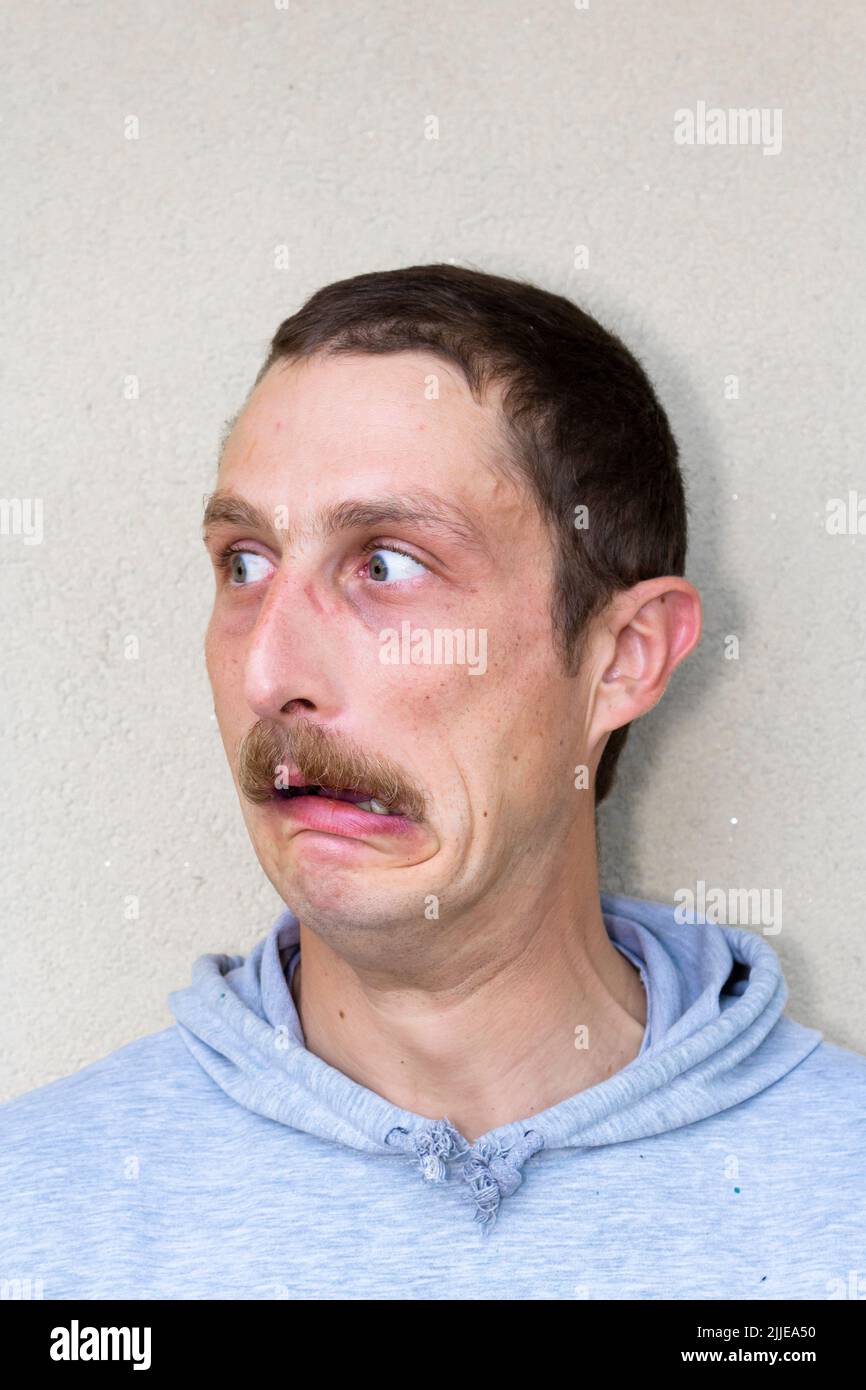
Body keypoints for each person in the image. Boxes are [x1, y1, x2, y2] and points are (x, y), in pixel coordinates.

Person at [1, 264, 863, 1300]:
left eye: (387, 563)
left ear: (623, 655)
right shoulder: (37, 1222)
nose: (271, 673)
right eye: (243, 563)